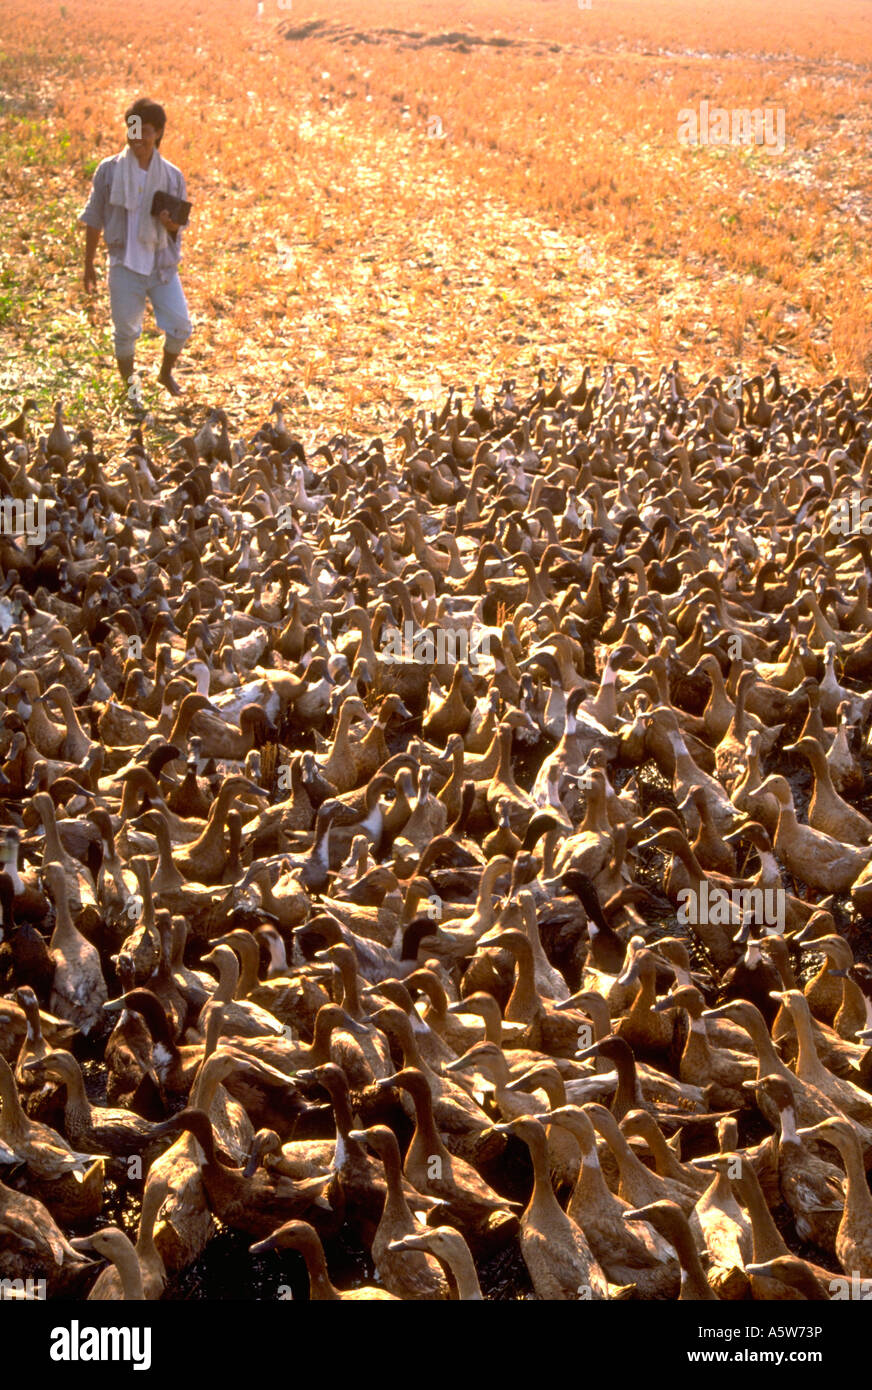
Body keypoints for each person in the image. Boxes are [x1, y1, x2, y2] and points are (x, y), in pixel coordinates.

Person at [79, 98, 192, 396]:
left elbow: (178, 226)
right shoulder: (110, 171)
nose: (138, 136)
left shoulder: (171, 176)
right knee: (125, 335)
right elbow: (94, 217)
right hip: (124, 265)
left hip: (160, 266)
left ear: (159, 133)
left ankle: (165, 374)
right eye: (133, 128)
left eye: (146, 130)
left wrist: (170, 224)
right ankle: (133, 392)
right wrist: (88, 263)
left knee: (181, 325)